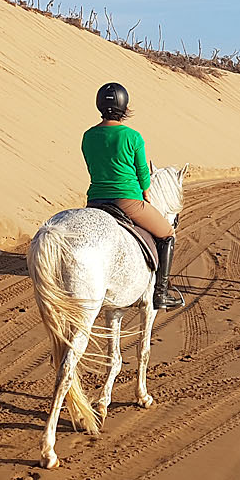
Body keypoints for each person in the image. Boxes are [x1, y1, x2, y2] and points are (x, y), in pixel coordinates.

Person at [82, 82, 182, 309]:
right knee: (168, 233)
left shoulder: (88, 136)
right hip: (127, 201)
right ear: (124, 106)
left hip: (95, 201)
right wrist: (146, 193)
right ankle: (161, 293)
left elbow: (92, 167)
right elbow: (143, 173)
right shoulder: (133, 136)